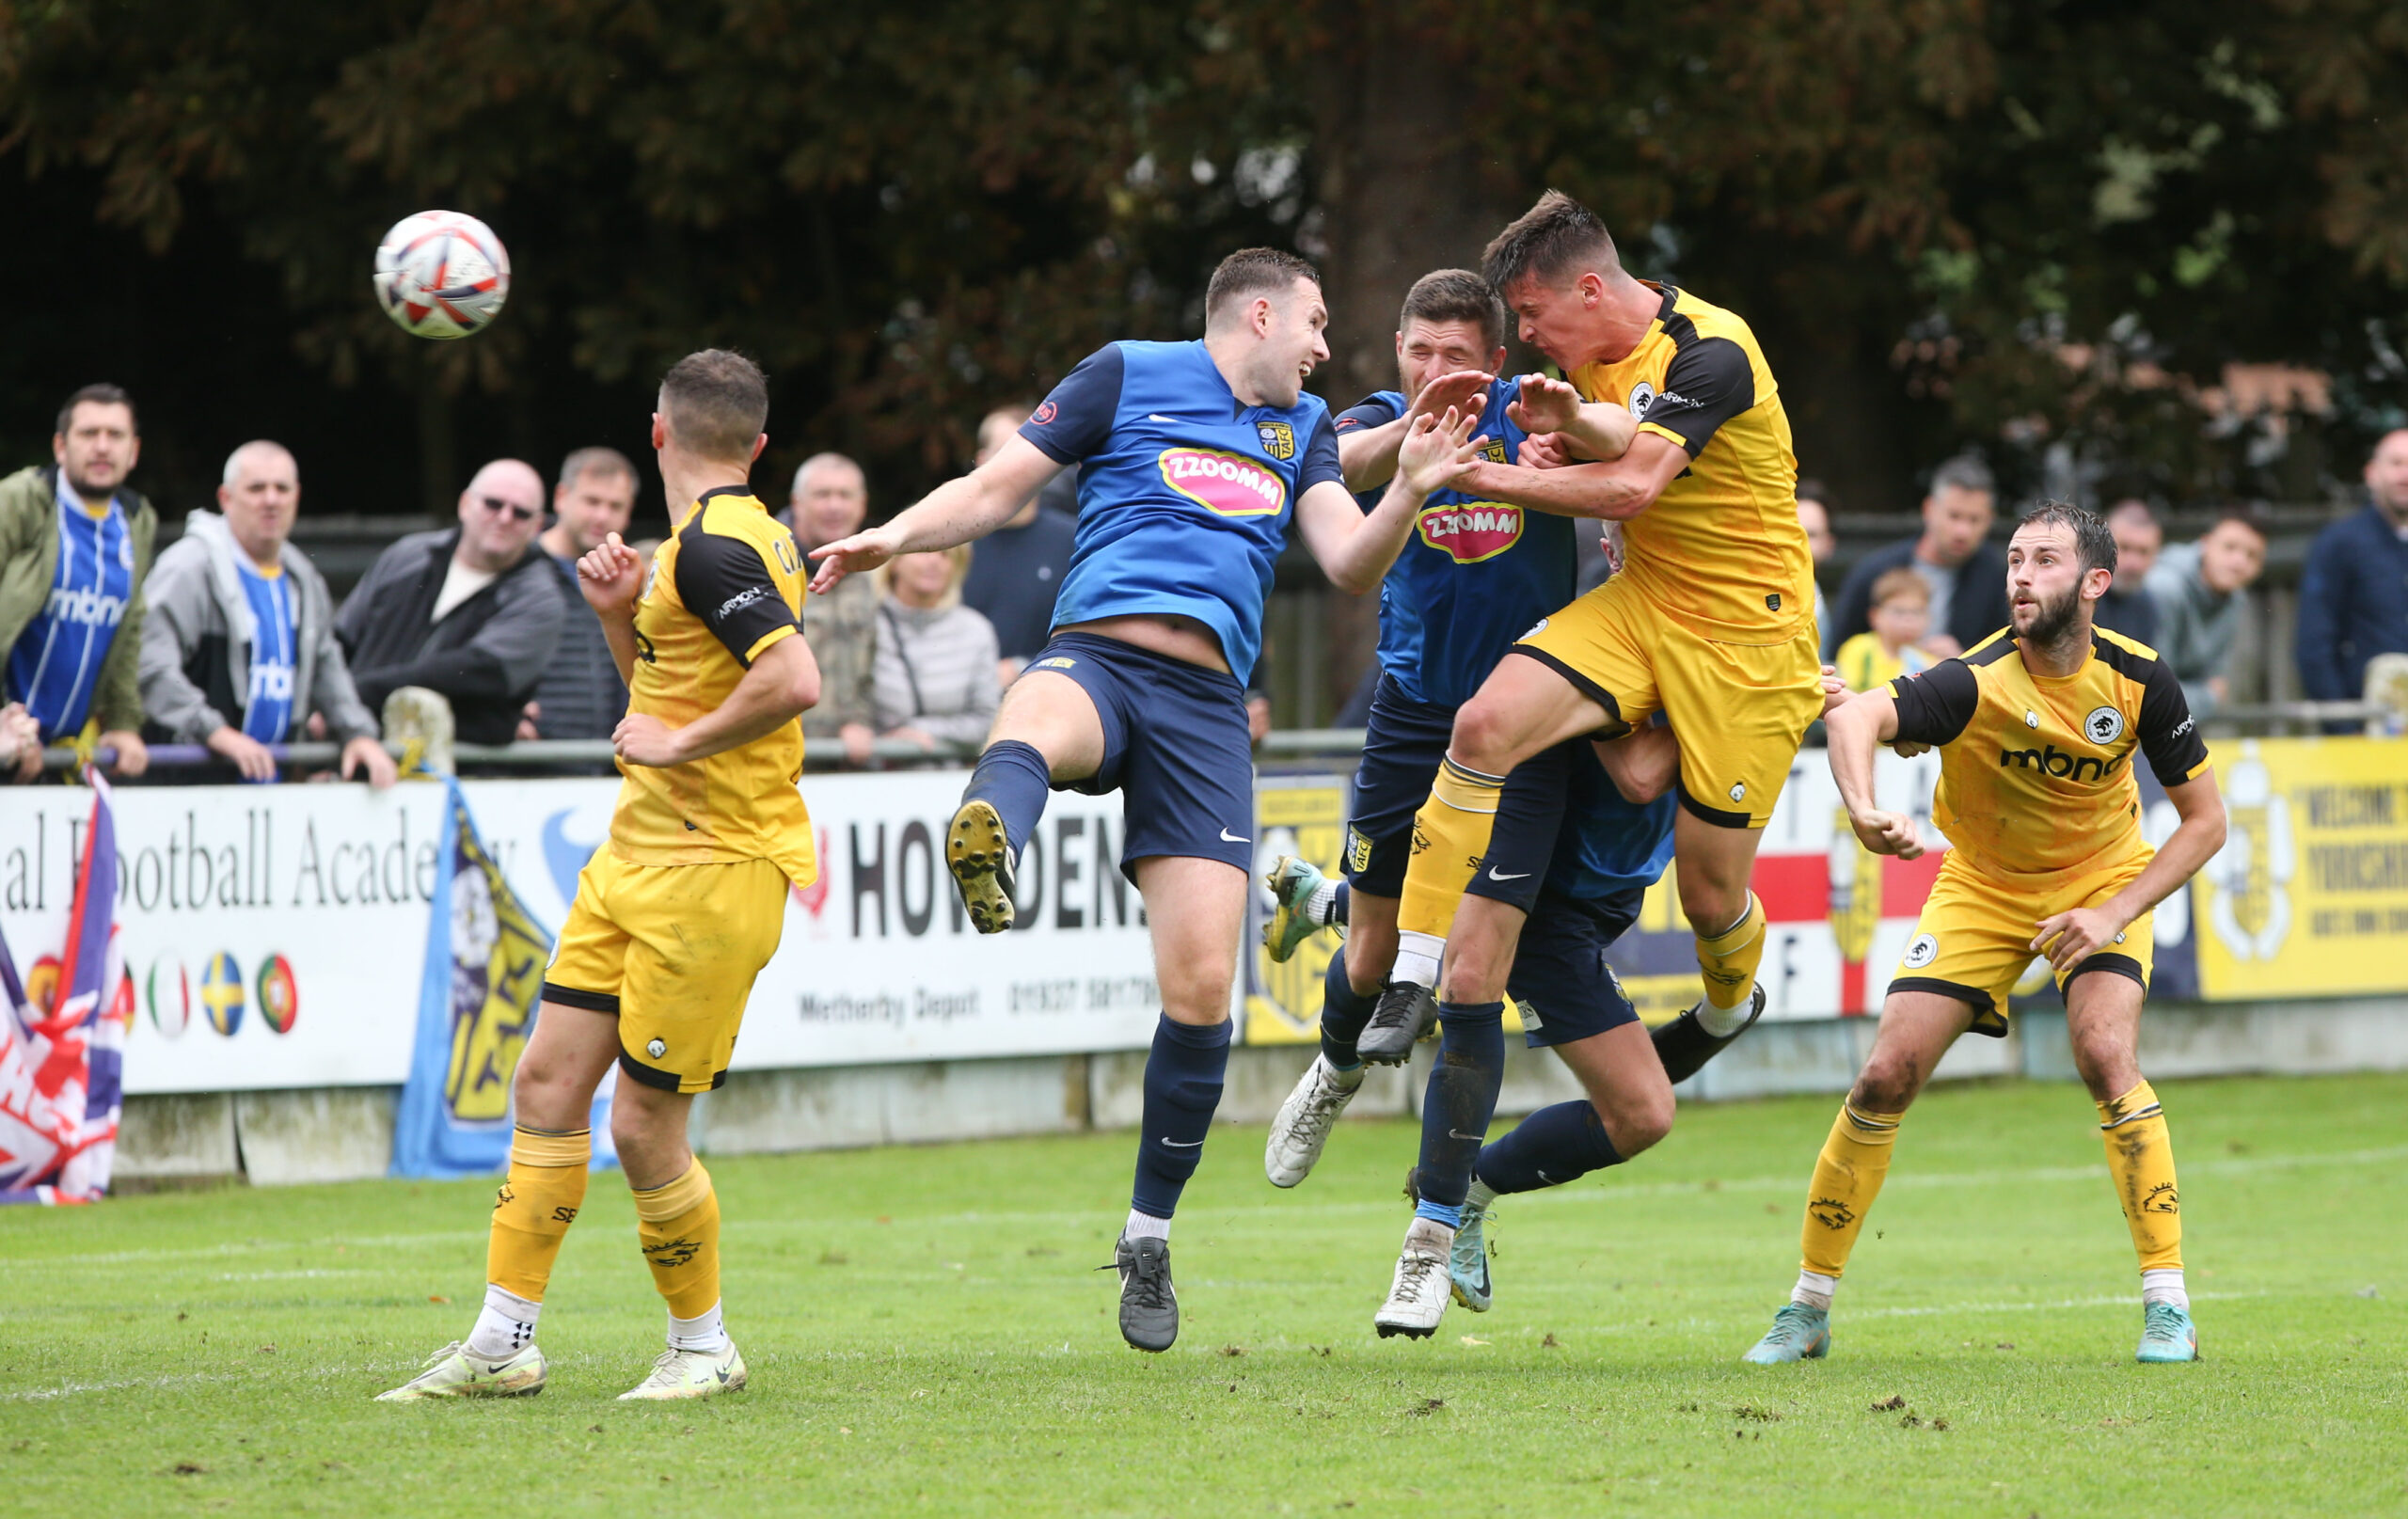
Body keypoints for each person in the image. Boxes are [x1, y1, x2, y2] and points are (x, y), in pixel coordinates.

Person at [809, 246, 1483, 1353]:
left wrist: (1407, 485)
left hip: (1206, 709)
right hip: (1100, 657)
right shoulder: (1124, 371)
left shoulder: (1305, 426)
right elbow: (993, 489)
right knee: (1033, 720)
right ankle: (991, 842)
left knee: (1204, 990)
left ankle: (1146, 1236)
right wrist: (892, 534)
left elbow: (1349, 563)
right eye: (1315, 323)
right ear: (1257, 313)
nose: (1324, 349)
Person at [1248, 267, 1698, 1336]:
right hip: (1410, 710)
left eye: (1457, 356)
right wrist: (1411, 440)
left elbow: (1618, 452)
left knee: (1469, 977)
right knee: (1369, 957)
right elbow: (1334, 463)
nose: (1437, 371)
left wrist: (1562, 434)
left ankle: (1428, 1242)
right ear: (1397, 352)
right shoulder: (1375, 420)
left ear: (1494, 359)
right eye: (1420, 351)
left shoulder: (1528, 414)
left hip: (1523, 729)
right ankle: (1334, 1070)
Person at [381, 350, 821, 1403]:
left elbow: (792, 678)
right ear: (759, 446)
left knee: (642, 1125)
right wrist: (620, 615)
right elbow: (665, 702)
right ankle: (502, 1342)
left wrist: (682, 742)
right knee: (544, 1083)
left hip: (713, 869)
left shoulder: (714, 547)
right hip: (636, 857)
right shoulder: (712, 544)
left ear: (656, 432)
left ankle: (704, 1346)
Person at [1354, 191, 1823, 1110]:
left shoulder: (1711, 351)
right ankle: (1411, 973)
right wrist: (1561, 440)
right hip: (1642, 603)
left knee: (1708, 896)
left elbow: (1634, 484)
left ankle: (1728, 1005)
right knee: (1485, 723)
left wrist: (1485, 474)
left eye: (1531, 313)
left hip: (1749, 640)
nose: (1525, 335)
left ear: (1592, 291)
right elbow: (1608, 441)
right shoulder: (1586, 364)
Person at [1742, 501, 2226, 1368]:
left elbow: (2206, 822)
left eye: (2044, 560)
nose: (2021, 576)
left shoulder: (2141, 679)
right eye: (2014, 560)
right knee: (1885, 1074)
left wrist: (2113, 913)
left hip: (2101, 884)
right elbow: (1852, 719)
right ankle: (1806, 1307)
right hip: (1983, 887)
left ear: (2096, 581)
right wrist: (1864, 809)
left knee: (2104, 1054)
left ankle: (2169, 1307)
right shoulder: (1973, 678)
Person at [138, 441, 394, 787]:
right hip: (186, 788)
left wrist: (358, 734)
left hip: (272, 792)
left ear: (296, 497)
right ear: (225, 498)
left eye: (282, 489)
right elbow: (148, 665)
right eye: (256, 488)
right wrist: (215, 732)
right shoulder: (189, 569)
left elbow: (326, 666)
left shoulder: (303, 578)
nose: (271, 500)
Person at [336, 459, 566, 746]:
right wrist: (334, 711)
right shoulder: (406, 556)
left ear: (537, 526)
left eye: (520, 513)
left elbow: (467, 673)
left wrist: (352, 697)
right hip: (355, 749)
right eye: (493, 504)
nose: (505, 517)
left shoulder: (540, 598)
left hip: (461, 766)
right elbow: (340, 640)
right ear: (465, 504)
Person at [0, 384, 156, 777]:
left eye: (115, 435)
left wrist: (123, 722)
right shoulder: (19, 502)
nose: (102, 447)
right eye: (88, 434)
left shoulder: (138, 521)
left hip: (63, 756)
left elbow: (129, 630)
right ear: (60, 446)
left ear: (134, 451)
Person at [1827, 455, 2004, 660]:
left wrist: (1964, 661)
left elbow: (2006, 654)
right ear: (1929, 509)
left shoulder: (1996, 578)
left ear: (1990, 520)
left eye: (1975, 520)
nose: (1962, 531)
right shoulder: (1875, 571)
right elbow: (1838, 652)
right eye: (1954, 516)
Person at [958, 404, 1080, 688]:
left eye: (1031, 454)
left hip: (1044, 696)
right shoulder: (950, 543)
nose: (1018, 466)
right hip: (952, 700)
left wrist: (1021, 667)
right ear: (981, 460)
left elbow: (1088, 636)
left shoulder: (1075, 542)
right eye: (1005, 452)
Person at [526, 447, 639, 741]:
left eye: (615, 506)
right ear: (561, 497)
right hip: (528, 758)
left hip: (609, 757)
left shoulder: (633, 579)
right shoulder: (517, 568)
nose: (602, 516)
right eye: (592, 501)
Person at [2297, 429, 2408, 707]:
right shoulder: (2339, 543)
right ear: (2371, 473)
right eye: (2396, 463)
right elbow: (2315, 641)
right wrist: (2343, 723)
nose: (2405, 475)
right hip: (2365, 718)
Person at [784, 452, 880, 764]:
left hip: (851, 757)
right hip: (775, 751)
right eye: (822, 495)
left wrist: (862, 721)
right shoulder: (764, 567)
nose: (834, 506)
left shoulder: (877, 575)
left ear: (862, 504)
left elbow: (879, 665)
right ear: (797, 503)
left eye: (845, 495)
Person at [871, 546, 1002, 751]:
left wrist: (919, 730)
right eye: (923, 550)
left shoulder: (976, 630)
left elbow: (987, 720)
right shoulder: (864, 625)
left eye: (945, 554)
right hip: (873, 765)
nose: (934, 561)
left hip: (947, 767)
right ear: (894, 562)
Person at [2146, 506, 2268, 715]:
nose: (2239, 562)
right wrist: (2207, 698)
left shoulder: (2235, 598)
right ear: (2205, 544)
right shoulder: (2163, 589)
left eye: (2252, 555)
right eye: (2230, 547)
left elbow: (2215, 678)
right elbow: (2151, 694)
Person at [1830, 566, 1936, 693]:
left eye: (1917, 612)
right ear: (1875, 616)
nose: (1909, 621)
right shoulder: (1859, 648)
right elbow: (1849, 690)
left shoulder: (1925, 660)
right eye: (1899, 612)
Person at [2096, 499, 2163, 647]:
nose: (2133, 563)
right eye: (2125, 548)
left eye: (2143, 552)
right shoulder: (2076, 597)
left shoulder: (2147, 607)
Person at [1798, 480, 1838, 640]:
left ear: (1829, 544)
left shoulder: (1830, 608)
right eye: (1794, 532)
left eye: (1811, 534)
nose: (1799, 542)